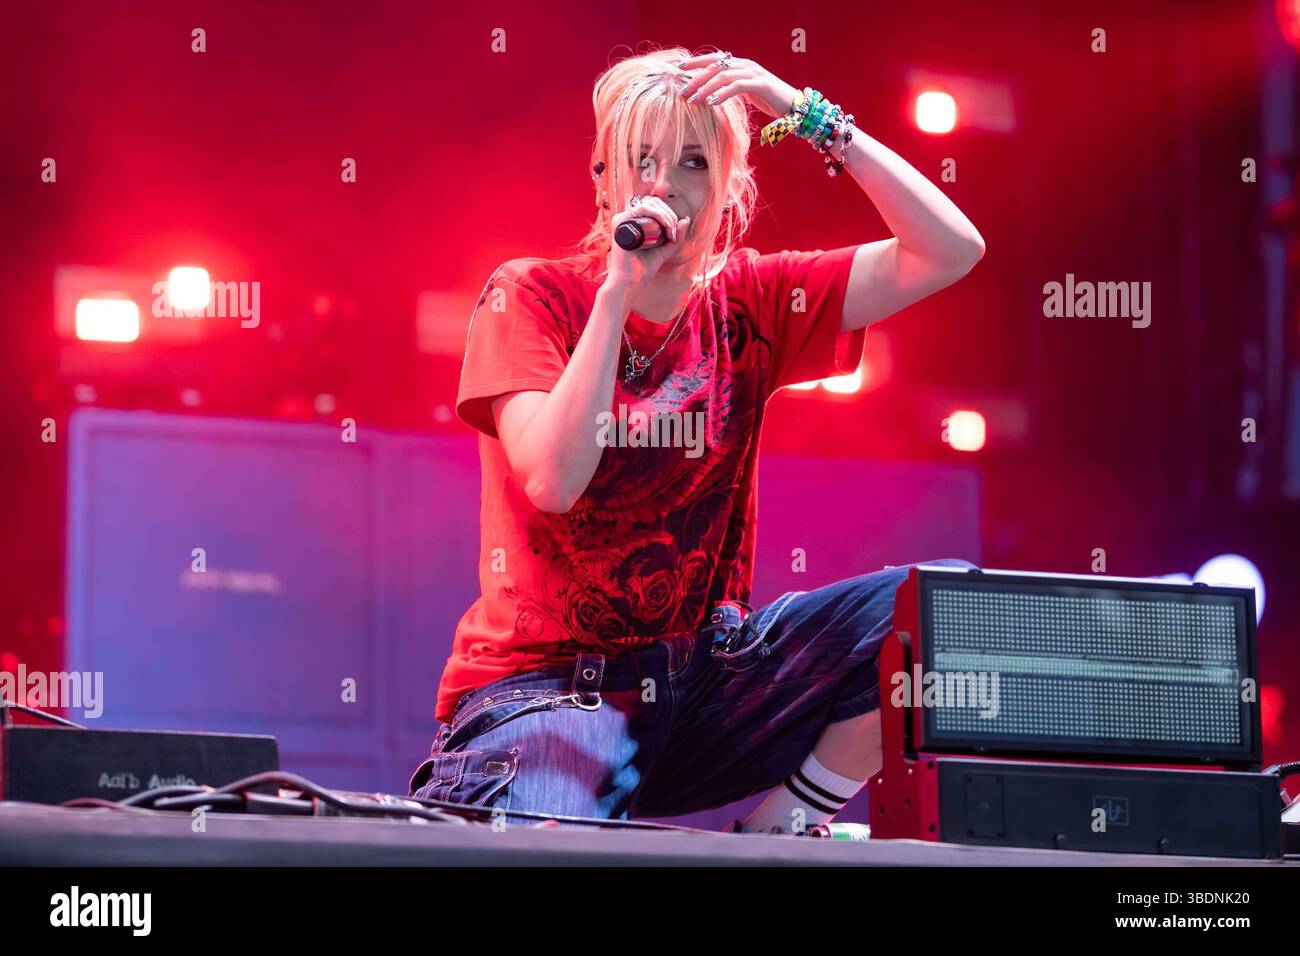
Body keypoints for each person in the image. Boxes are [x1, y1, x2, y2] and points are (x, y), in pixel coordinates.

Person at [408, 45, 985, 833]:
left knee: (944, 609)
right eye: (640, 160)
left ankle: (784, 825)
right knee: (537, 854)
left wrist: (806, 114)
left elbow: (951, 248)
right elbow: (552, 478)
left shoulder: (752, 299)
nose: (663, 185)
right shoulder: (532, 294)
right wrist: (619, 289)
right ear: (602, 176)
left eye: (691, 163)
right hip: (548, 691)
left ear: (727, 188)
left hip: (708, 682)